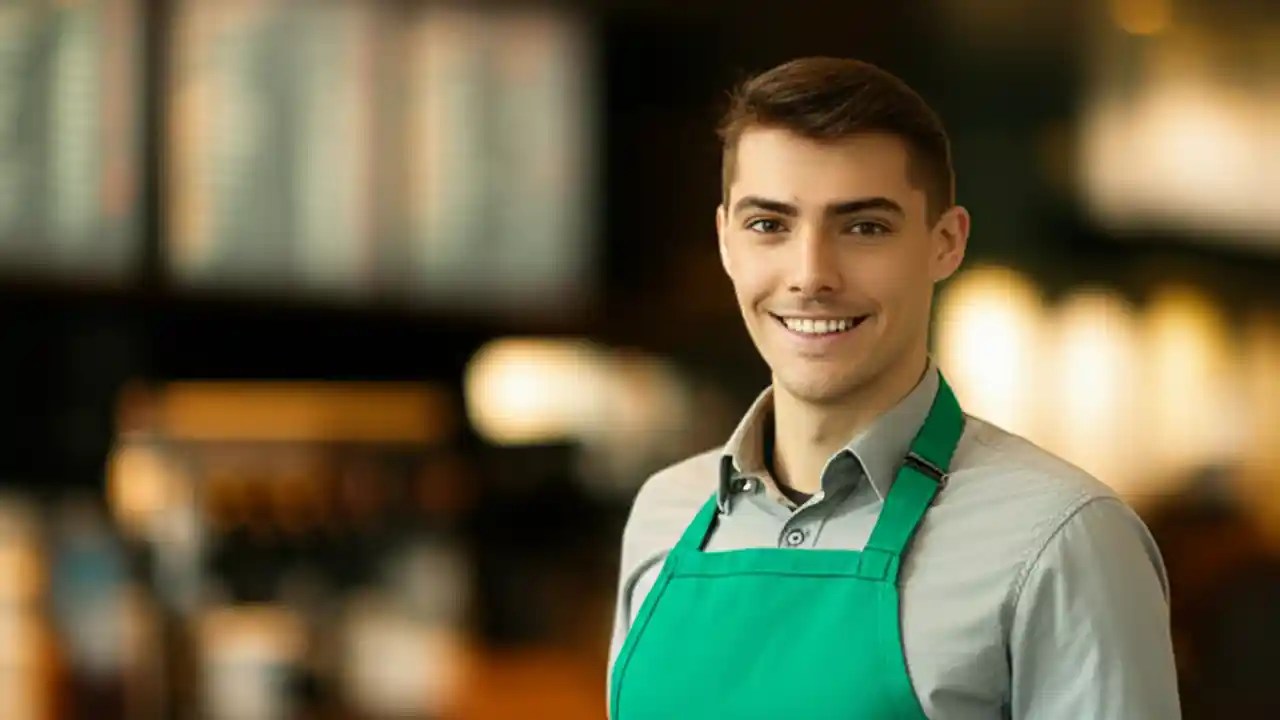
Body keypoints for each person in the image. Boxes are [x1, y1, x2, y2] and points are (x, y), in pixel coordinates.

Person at [607, 57, 1180, 719]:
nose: (811, 274)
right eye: (769, 225)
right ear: (726, 241)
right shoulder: (663, 515)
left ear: (945, 243)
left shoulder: (1061, 541)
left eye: (864, 227)